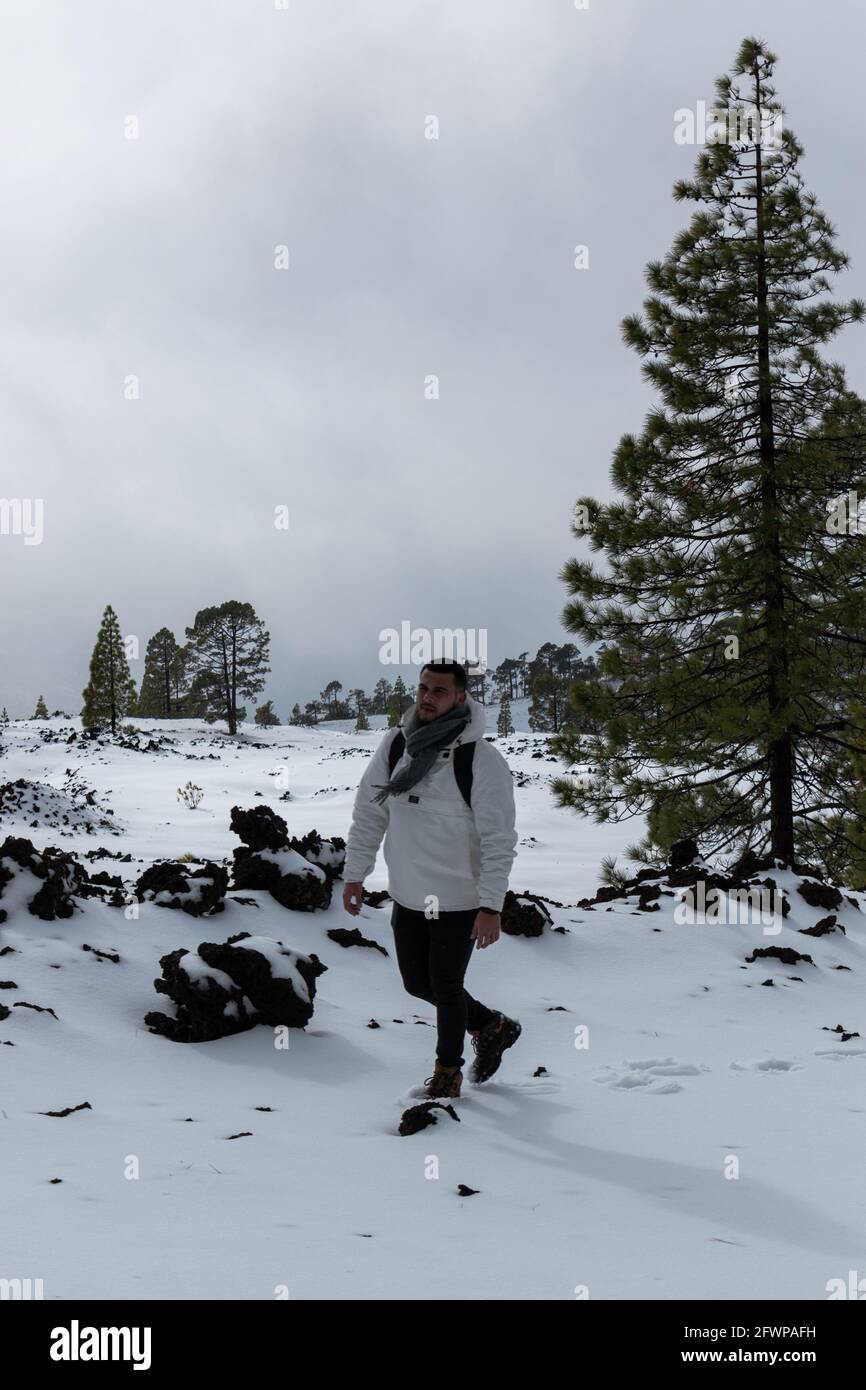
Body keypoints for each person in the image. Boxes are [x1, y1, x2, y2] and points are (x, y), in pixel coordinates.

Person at [342, 659, 521, 1099]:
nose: (427, 697)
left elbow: (499, 839)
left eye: (439, 691)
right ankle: (490, 1024)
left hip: (459, 898)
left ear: (461, 697)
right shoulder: (394, 746)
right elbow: (370, 813)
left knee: (445, 984)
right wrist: (355, 874)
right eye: (423, 688)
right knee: (416, 983)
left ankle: (448, 1072)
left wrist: (491, 906)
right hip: (407, 892)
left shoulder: (479, 759)